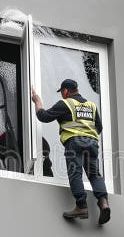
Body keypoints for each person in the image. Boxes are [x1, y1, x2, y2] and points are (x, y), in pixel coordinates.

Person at [31, 79, 111, 225]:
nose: (62, 95)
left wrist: (37, 101)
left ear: (66, 91)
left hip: (75, 143)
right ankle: (103, 203)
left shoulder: (65, 103)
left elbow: (43, 116)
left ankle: (81, 206)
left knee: (75, 173)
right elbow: (99, 127)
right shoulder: (91, 105)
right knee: (95, 175)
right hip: (92, 144)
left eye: (62, 92)